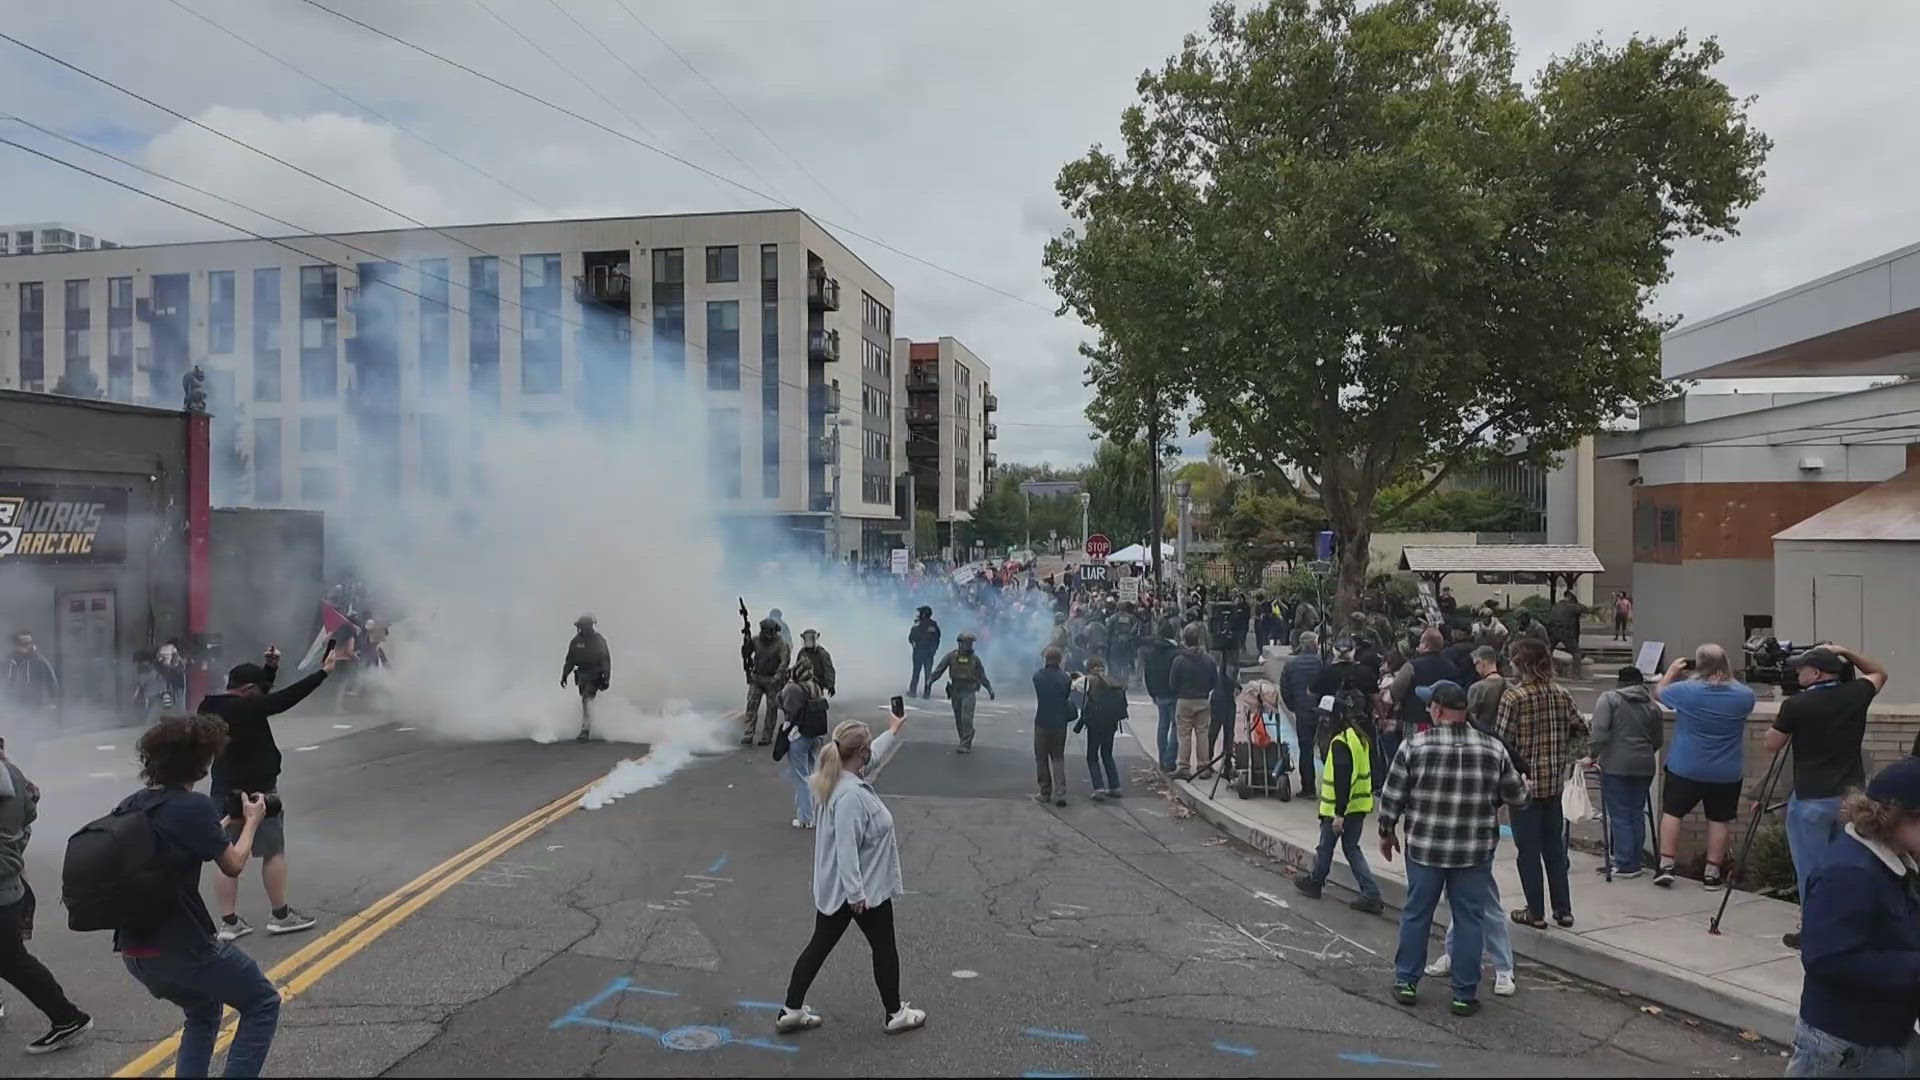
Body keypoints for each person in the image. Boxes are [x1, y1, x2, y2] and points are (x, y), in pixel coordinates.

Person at [118, 715, 281, 1078]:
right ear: (204, 764)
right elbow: (234, 864)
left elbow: (176, 845)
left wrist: (222, 824)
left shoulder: (133, 804)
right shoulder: (191, 806)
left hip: (135, 951)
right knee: (262, 1001)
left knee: (204, 1010)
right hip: (184, 947)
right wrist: (252, 821)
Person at [1377, 680, 1528, 1016]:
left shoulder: (1414, 746)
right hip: (1473, 851)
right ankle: (1464, 993)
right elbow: (1518, 797)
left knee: (1417, 913)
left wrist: (1386, 833)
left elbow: (1392, 797)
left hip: (1426, 848)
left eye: (1430, 704)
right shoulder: (1493, 749)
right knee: (1470, 919)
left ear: (1438, 709)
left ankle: (1406, 982)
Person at [776, 709, 926, 1038]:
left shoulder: (838, 777)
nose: (871, 750)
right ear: (860, 752)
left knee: (820, 945)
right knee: (884, 947)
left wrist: (892, 731)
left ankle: (791, 1009)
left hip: (839, 889)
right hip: (860, 891)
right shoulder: (851, 797)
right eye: (869, 745)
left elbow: (871, 762)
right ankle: (894, 1013)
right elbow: (847, 849)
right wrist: (858, 895)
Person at [202, 641, 350, 941]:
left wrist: (269, 668)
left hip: (222, 789)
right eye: (258, 689)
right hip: (258, 793)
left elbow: (262, 699)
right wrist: (324, 671)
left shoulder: (210, 706)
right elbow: (284, 699)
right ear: (247, 690)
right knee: (273, 852)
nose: (262, 693)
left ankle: (229, 923)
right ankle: (281, 916)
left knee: (225, 855)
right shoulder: (249, 707)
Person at [1786, 756, 1920, 1077]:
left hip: (1887, 1032)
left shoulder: (1894, 861)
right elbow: (1827, 959)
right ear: (1897, 818)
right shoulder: (1850, 872)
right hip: (1844, 1047)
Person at [1768, 644, 1886, 948]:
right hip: (1851, 799)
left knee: (1812, 870)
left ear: (1817, 673)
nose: (1797, 672)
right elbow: (1879, 672)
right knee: (1849, 864)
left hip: (1811, 799)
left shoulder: (1796, 705)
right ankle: (1849, 926)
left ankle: (1815, 930)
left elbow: (1772, 744)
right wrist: (1846, 652)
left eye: (1802, 668)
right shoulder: (1856, 693)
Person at [0, 736, 93, 1055]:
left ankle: (68, 1018)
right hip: (9, 883)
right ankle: (67, 1018)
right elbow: (30, 807)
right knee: (11, 959)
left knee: (12, 961)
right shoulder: (12, 773)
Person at [1493, 638, 1587, 929]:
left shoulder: (1513, 698)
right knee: (1555, 850)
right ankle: (1563, 909)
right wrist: (1565, 756)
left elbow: (1501, 742)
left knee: (1528, 851)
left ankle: (1535, 911)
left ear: (1521, 664)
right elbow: (1581, 729)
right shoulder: (1561, 693)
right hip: (1553, 783)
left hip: (1524, 786)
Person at [1650, 644, 1756, 890]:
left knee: (1673, 813)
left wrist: (1671, 672)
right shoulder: (1744, 695)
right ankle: (1712, 872)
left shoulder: (1686, 691)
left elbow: (1658, 693)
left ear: (1698, 665)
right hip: (1727, 772)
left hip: (1686, 767)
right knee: (1719, 820)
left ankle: (1666, 865)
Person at [1294, 684, 1384, 912]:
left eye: (1324, 718)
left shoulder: (1340, 744)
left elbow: (1343, 780)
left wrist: (1339, 814)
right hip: (1359, 805)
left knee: (1326, 847)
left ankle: (1315, 883)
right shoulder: (1358, 737)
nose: (1321, 722)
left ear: (1332, 719)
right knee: (1351, 848)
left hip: (1341, 809)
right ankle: (1370, 893)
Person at [1588, 666, 1663, 879]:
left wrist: (1592, 755)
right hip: (1645, 764)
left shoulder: (1609, 699)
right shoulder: (1652, 706)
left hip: (1616, 764)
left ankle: (1624, 863)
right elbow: (1657, 740)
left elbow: (1600, 732)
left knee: (1619, 813)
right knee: (1636, 812)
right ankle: (1635, 859)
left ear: (1620, 682)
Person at [1388, 629, 1454, 776]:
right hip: (1443, 722)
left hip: (1415, 720)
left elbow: (1396, 691)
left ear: (1425, 645)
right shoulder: (1451, 667)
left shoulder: (1412, 666)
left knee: (1413, 756)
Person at [778, 658, 830, 829]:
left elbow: (785, 706)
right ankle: (816, 812)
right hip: (815, 736)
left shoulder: (793, 688)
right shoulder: (814, 685)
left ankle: (806, 818)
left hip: (799, 735)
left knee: (801, 778)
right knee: (812, 775)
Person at [929, 633, 994, 753]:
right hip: (955, 690)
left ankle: (966, 743)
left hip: (969, 691)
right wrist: (931, 680)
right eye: (966, 643)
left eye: (970, 643)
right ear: (960, 643)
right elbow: (939, 670)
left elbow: (982, 676)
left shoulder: (975, 659)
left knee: (966, 718)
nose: (968, 646)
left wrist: (989, 689)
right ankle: (963, 739)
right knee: (958, 717)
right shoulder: (951, 656)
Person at [1168, 624, 1218, 780]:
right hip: (1203, 700)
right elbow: (1214, 681)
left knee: (1184, 735)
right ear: (1198, 640)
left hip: (1184, 700)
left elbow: (1172, 683)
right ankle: (1203, 766)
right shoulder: (1208, 660)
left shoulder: (1179, 660)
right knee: (1202, 733)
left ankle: (1183, 766)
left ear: (1185, 640)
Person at [1075, 656, 1127, 800]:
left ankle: (1098, 788)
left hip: (1095, 723)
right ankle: (1115, 786)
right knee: (1107, 754)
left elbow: (1073, 687)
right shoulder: (1112, 680)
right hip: (1111, 723)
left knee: (1092, 756)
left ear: (1089, 669)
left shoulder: (1087, 680)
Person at [1280, 632, 1326, 793]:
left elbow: (1284, 689)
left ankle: (1308, 788)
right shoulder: (1321, 663)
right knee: (1326, 748)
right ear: (1313, 644)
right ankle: (1333, 787)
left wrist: (1294, 706)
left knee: (1305, 749)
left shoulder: (1291, 665)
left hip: (1303, 712)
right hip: (1323, 712)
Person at [1032, 647, 1074, 806]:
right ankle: (1061, 792)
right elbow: (1066, 694)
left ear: (1045, 659)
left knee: (1041, 758)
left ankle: (1045, 792)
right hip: (1060, 723)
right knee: (1058, 758)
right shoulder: (1065, 678)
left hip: (1042, 721)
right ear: (1060, 660)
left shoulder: (1038, 676)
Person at [560, 614, 611, 742]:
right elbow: (570, 660)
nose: (583, 629)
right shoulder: (576, 641)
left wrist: (606, 677)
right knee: (586, 699)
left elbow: (605, 659)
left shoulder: (599, 640)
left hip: (595, 673)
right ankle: (592, 724)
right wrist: (564, 675)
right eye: (581, 626)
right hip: (582, 674)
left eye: (585, 626)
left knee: (587, 698)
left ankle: (585, 729)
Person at [742, 618, 791, 747]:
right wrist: (746, 643)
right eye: (764, 630)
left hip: (772, 680)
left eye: (769, 631)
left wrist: (778, 677)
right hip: (757, 677)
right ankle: (748, 733)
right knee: (752, 705)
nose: (766, 634)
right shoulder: (756, 640)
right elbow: (746, 653)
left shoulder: (781, 644)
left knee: (771, 708)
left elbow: (784, 661)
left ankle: (767, 735)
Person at [1140, 620, 1180, 773]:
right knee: (1175, 726)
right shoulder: (1177, 653)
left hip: (1159, 694)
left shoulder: (1151, 653)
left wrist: (1152, 693)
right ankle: (1170, 760)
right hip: (1174, 694)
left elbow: (1147, 675)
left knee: (1163, 726)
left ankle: (1163, 759)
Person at [4, 630, 58, 715]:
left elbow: (51, 681)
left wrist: (52, 702)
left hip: (34, 707)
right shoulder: (9, 660)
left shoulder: (39, 660)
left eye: (30, 642)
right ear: (17, 645)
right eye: (24, 644)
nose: (29, 645)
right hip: (11, 706)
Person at [1463, 647, 1504, 734]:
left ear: (1482, 663)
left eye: (1476, 664)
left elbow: (1471, 719)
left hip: (1482, 735)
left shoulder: (1476, 688)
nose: (1476, 669)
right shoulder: (1509, 685)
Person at [907, 606, 941, 699]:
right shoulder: (933, 625)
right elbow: (937, 639)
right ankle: (927, 693)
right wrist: (933, 650)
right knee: (928, 673)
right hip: (929, 653)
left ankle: (912, 691)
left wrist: (915, 646)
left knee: (916, 672)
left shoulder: (918, 624)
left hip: (919, 651)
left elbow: (911, 638)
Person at [794, 629, 837, 698]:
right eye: (807, 639)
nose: (809, 641)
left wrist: (830, 685)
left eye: (811, 638)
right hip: (803, 682)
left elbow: (829, 670)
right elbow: (797, 667)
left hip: (818, 682)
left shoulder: (822, 654)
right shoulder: (802, 652)